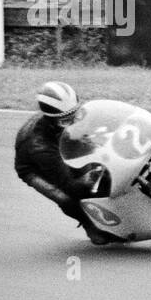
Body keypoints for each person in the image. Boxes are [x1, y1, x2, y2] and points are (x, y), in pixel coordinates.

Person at [14, 81, 122, 245]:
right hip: (34, 168)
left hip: (61, 143)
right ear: (51, 120)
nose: (72, 122)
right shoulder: (38, 145)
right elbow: (69, 184)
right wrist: (90, 176)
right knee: (66, 196)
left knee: (100, 161)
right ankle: (89, 225)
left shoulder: (65, 118)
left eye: (75, 115)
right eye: (66, 121)